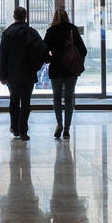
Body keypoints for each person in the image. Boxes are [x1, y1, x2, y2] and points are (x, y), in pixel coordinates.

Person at [0, 6, 45, 140]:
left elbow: (2, 55)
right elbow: (43, 49)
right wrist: (37, 66)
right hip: (28, 73)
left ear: (14, 16)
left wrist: (2, 75)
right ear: (25, 16)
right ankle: (23, 130)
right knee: (25, 103)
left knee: (13, 100)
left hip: (12, 74)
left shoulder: (7, 33)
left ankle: (15, 128)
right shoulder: (31, 32)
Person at [43, 8, 88, 140]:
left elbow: (44, 49)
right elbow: (83, 50)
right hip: (71, 69)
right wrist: (76, 59)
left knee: (56, 98)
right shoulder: (72, 30)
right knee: (69, 98)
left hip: (56, 68)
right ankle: (67, 129)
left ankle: (59, 124)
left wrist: (50, 59)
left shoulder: (51, 31)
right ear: (67, 17)